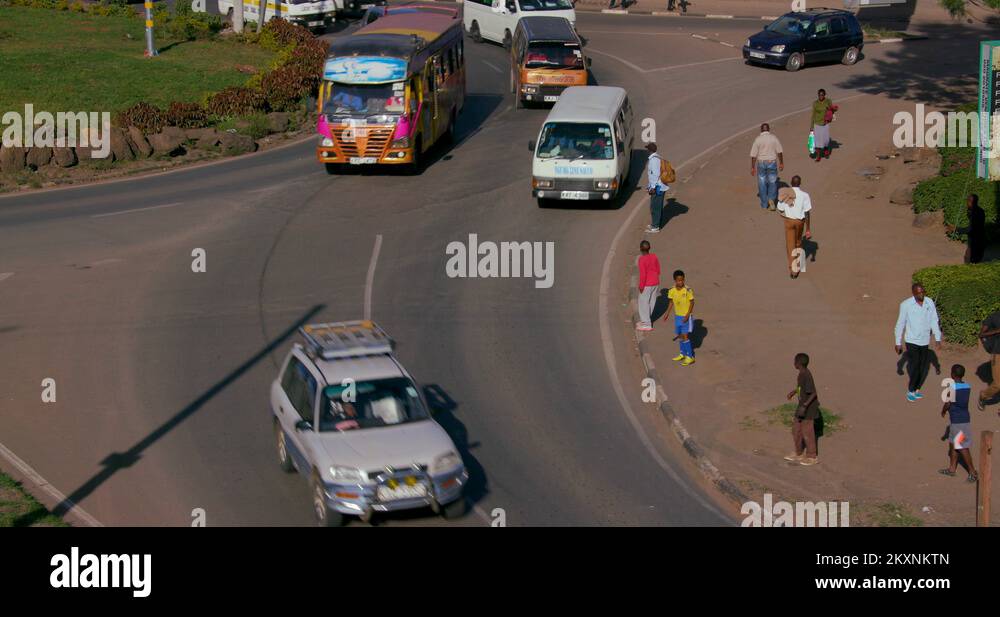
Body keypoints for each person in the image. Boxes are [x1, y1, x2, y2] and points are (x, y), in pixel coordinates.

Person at [894, 283, 942, 402]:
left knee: (922, 366)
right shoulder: (906, 305)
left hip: (924, 340)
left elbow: (934, 320)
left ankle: (916, 389)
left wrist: (937, 337)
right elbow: (900, 324)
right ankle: (910, 390)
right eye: (919, 293)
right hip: (911, 340)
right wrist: (897, 342)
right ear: (913, 293)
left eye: (923, 292)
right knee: (915, 365)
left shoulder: (929, 302)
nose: (921, 294)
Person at [939, 364, 978, 483]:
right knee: (952, 444)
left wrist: (943, 410)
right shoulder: (967, 386)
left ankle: (972, 472)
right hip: (959, 420)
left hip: (958, 422)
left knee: (961, 446)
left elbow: (948, 403)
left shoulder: (951, 388)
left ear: (952, 375)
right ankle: (952, 469)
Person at [785, 352, 820, 466]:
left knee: (807, 431)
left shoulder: (806, 375)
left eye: (795, 361)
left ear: (798, 363)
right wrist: (794, 392)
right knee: (796, 430)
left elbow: (813, 393)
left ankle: (812, 456)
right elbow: (801, 387)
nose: (793, 363)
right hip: (801, 407)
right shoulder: (801, 374)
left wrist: (805, 406)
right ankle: (798, 453)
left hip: (808, 409)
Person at [777, 176, 812, 279]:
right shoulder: (805, 195)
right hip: (800, 222)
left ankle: (794, 270)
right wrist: (808, 228)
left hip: (789, 221)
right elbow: (807, 213)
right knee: (798, 241)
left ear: (791, 183)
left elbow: (780, 208)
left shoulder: (785, 193)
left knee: (790, 245)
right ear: (800, 183)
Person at [750, 123, 784, 211]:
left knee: (762, 183)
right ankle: (771, 200)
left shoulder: (758, 139)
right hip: (772, 162)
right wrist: (781, 163)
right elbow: (779, 151)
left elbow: (753, 155)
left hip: (761, 163)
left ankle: (764, 204)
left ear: (761, 130)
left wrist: (753, 167)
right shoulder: (773, 138)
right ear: (768, 129)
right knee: (772, 182)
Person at [665, 270, 695, 366]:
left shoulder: (688, 290)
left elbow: (692, 302)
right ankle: (682, 354)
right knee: (680, 335)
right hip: (677, 316)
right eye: (678, 280)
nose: (680, 282)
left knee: (685, 336)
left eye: (682, 280)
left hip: (686, 316)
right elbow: (671, 302)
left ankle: (690, 357)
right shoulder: (671, 291)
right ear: (675, 280)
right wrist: (667, 313)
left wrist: (687, 315)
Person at [945, 194, 987, 264]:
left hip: (976, 241)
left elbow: (970, 229)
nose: (966, 203)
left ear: (971, 202)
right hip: (979, 239)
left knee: (970, 259)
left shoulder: (975, 213)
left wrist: (955, 229)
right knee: (970, 259)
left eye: (967, 201)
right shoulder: (979, 210)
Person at [978, 310, 1000, 411]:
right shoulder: (994, 317)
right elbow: (981, 334)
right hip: (998, 354)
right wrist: (997, 331)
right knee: (997, 385)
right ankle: (983, 396)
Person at [636, 241, 661, 332]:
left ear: (640, 249)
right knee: (652, 300)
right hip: (655, 282)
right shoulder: (654, 256)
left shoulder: (641, 260)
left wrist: (641, 285)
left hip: (647, 284)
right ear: (649, 248)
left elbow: (643, 274)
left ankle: (646, 323)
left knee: (643, 302)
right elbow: (658, 269)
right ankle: (646, 320)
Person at [645, 142, 669, 233]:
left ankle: (655, 226)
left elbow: (655, 175)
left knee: (655, 206)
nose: (647, 150)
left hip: (658, 187)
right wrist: (649, 186)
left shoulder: (654, 160)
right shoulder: (657, 157)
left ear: (650, 150)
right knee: (655, 206)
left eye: (647, 149)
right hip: (658, 186)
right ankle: (654, 224)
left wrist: (653, 187)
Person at [810, 89, 837, 162]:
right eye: (819, 95)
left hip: (825, 123)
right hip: (817, 124)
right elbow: (813, 115)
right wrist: (811, 126)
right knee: (817, 142)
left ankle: (825, 150)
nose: (820, 96)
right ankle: (818, 156)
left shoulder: (828, 101)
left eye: (822, 95)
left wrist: (834, 109)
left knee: (825, 140)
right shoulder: (815, 103)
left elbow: (832, 110)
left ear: (824, 95)